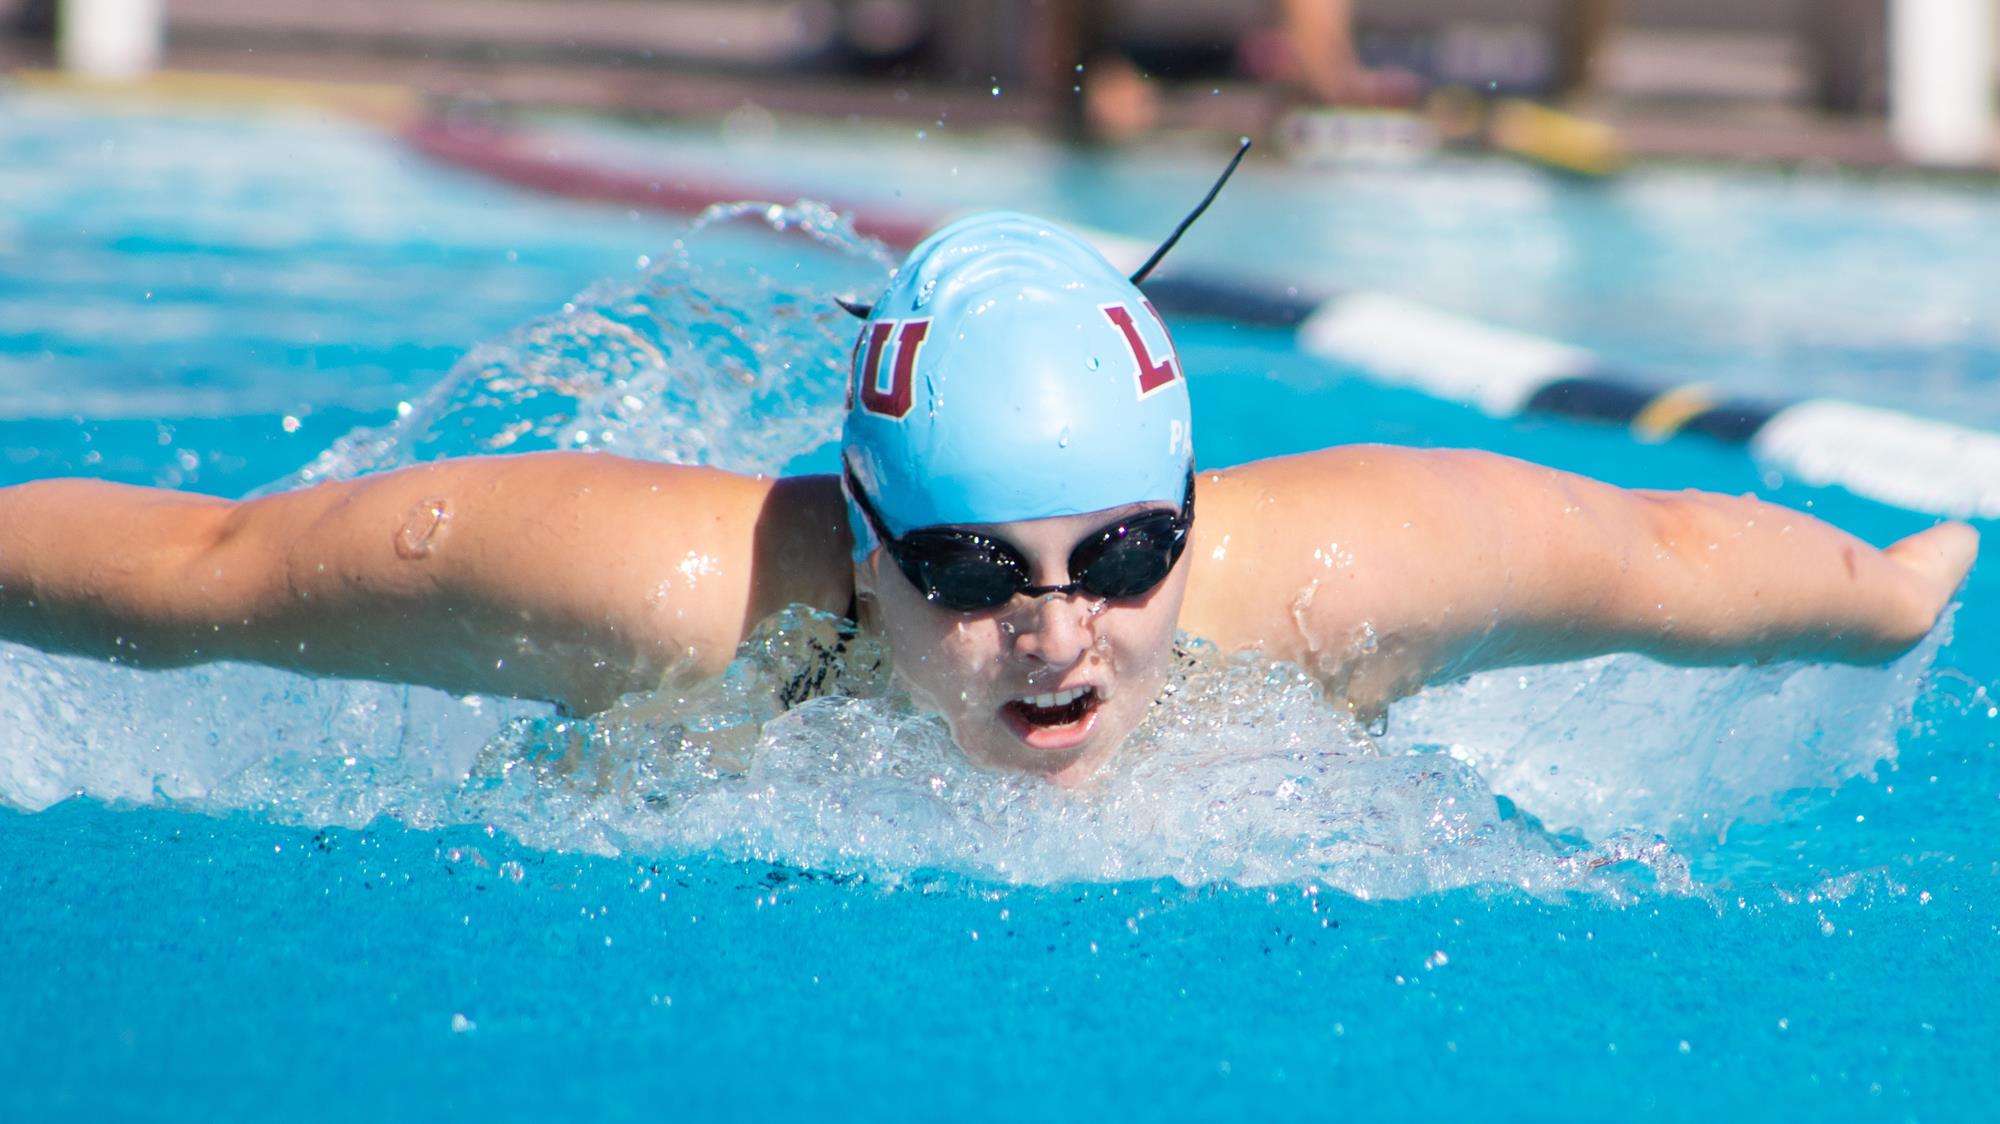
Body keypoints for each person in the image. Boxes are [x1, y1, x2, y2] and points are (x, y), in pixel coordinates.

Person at [0, 210, 1977, 788]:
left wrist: (1888, 591)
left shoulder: (1343, 575)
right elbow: (204, 572)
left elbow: (1655, 551)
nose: (1054, 637)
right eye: (963, 572)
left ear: (1190, 514)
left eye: (1123, 556)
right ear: (856, 545)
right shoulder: (677, 597)